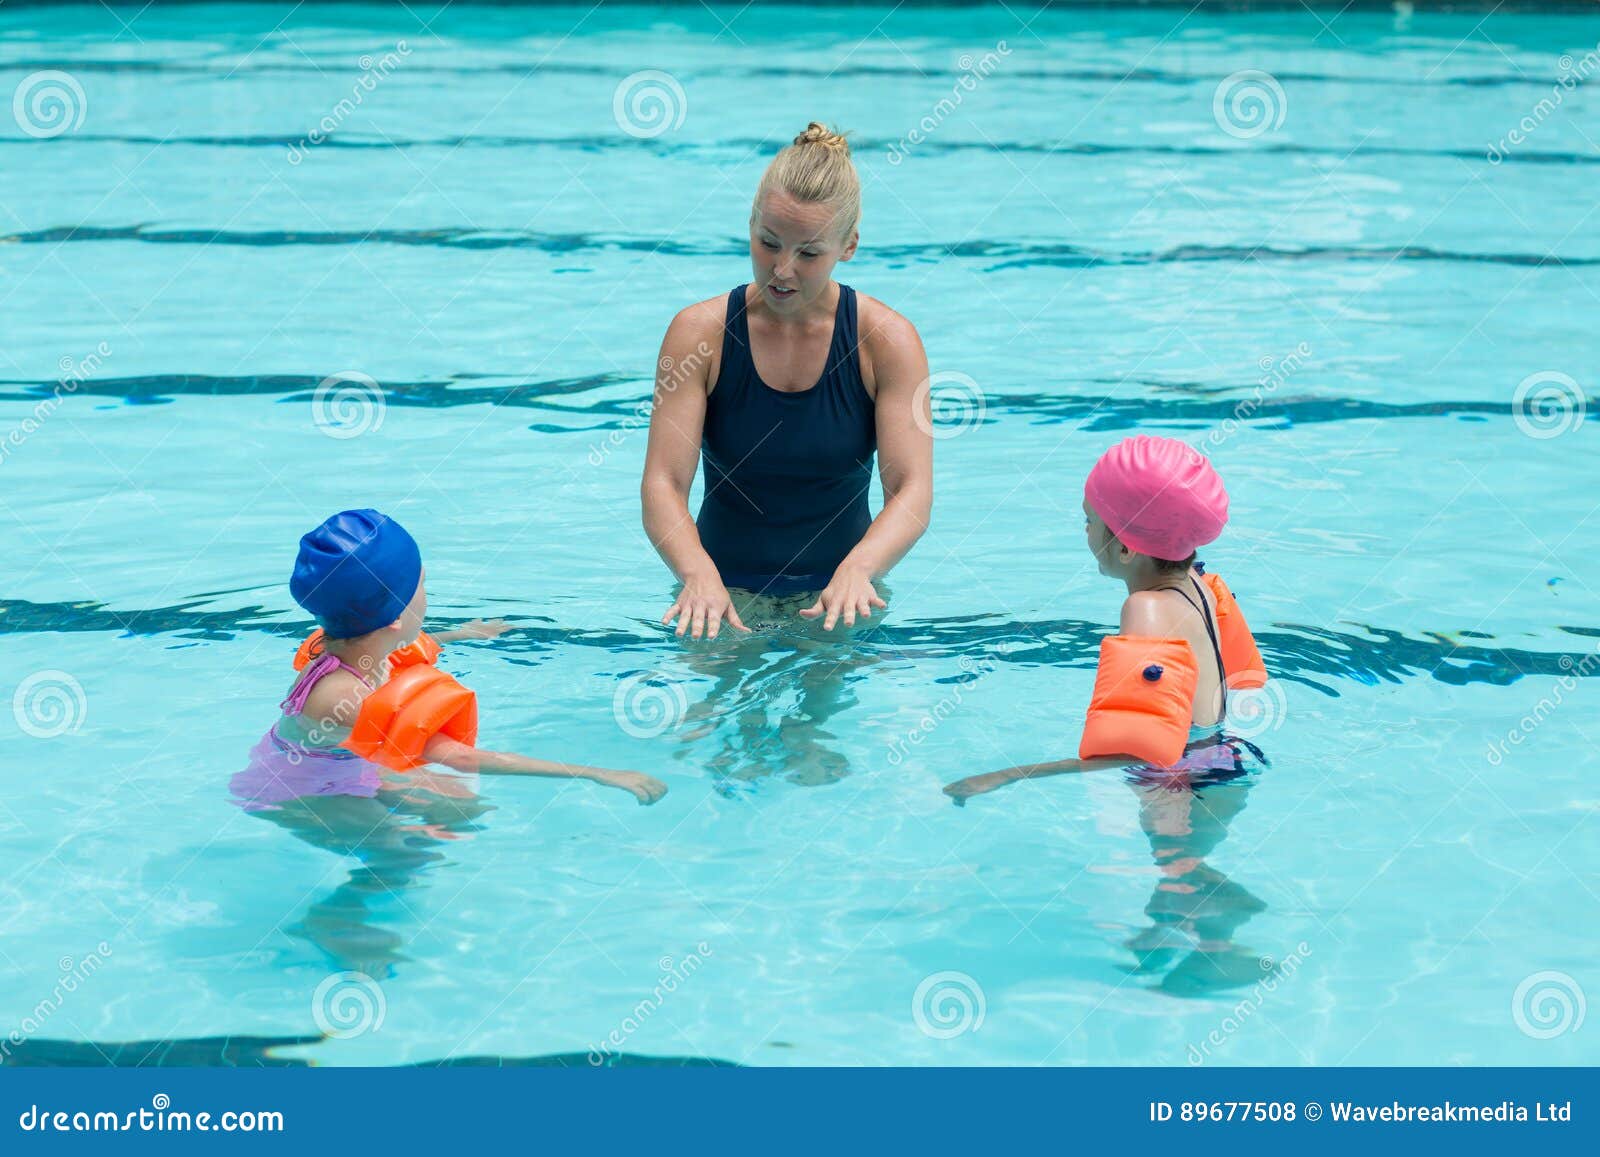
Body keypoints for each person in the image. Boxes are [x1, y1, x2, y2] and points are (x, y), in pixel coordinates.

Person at [641, 122, 933, 639]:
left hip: (841, 595)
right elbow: (664, 483)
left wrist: (859, 570)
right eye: (768, 242)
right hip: (716, 594)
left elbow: (911, 489)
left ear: (850, 245)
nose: (782, 269)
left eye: (809, 253)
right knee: (706, 720)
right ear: (749, 224)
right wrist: (697, 575)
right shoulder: (698, 335)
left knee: (816, 722)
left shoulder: (887, 341)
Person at [238, 508, 667, 807]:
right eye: (421, 586)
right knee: (432, 832)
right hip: (312, 792)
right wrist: (595, 774)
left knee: (455, 804)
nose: (427, 595)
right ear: (394, 619)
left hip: (337, 766)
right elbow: (460, 758)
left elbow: (405, 645)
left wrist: (462, 634)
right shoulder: (344, 697)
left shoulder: (346, 645)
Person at [945, 435, 1268, 801]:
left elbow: (1139, 747)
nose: (1085, 530)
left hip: (1183, 783)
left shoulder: (1147, 609)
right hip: (1223, 759)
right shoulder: (1198, 584)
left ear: (1126, 548)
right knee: (1186, 863)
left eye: (1090, 520)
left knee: (1178, 862)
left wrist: (1010, 774)